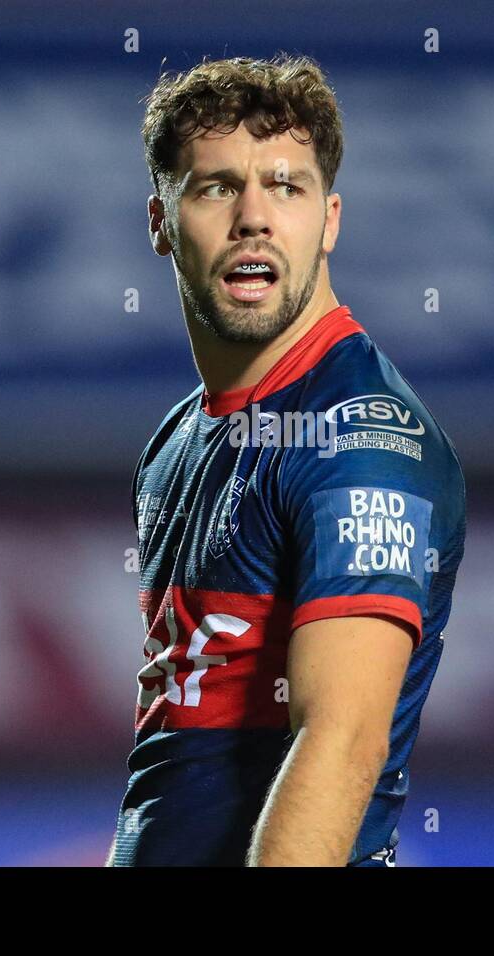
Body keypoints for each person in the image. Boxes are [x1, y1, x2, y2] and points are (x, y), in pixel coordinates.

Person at [106, 53, 465, 866]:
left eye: (287, 187)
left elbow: (342, 741)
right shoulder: (178, 440)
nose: (254, 218)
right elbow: (174, 772)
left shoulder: (361, 440)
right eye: (217, 187)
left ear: (330, 220)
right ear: (161, 222)